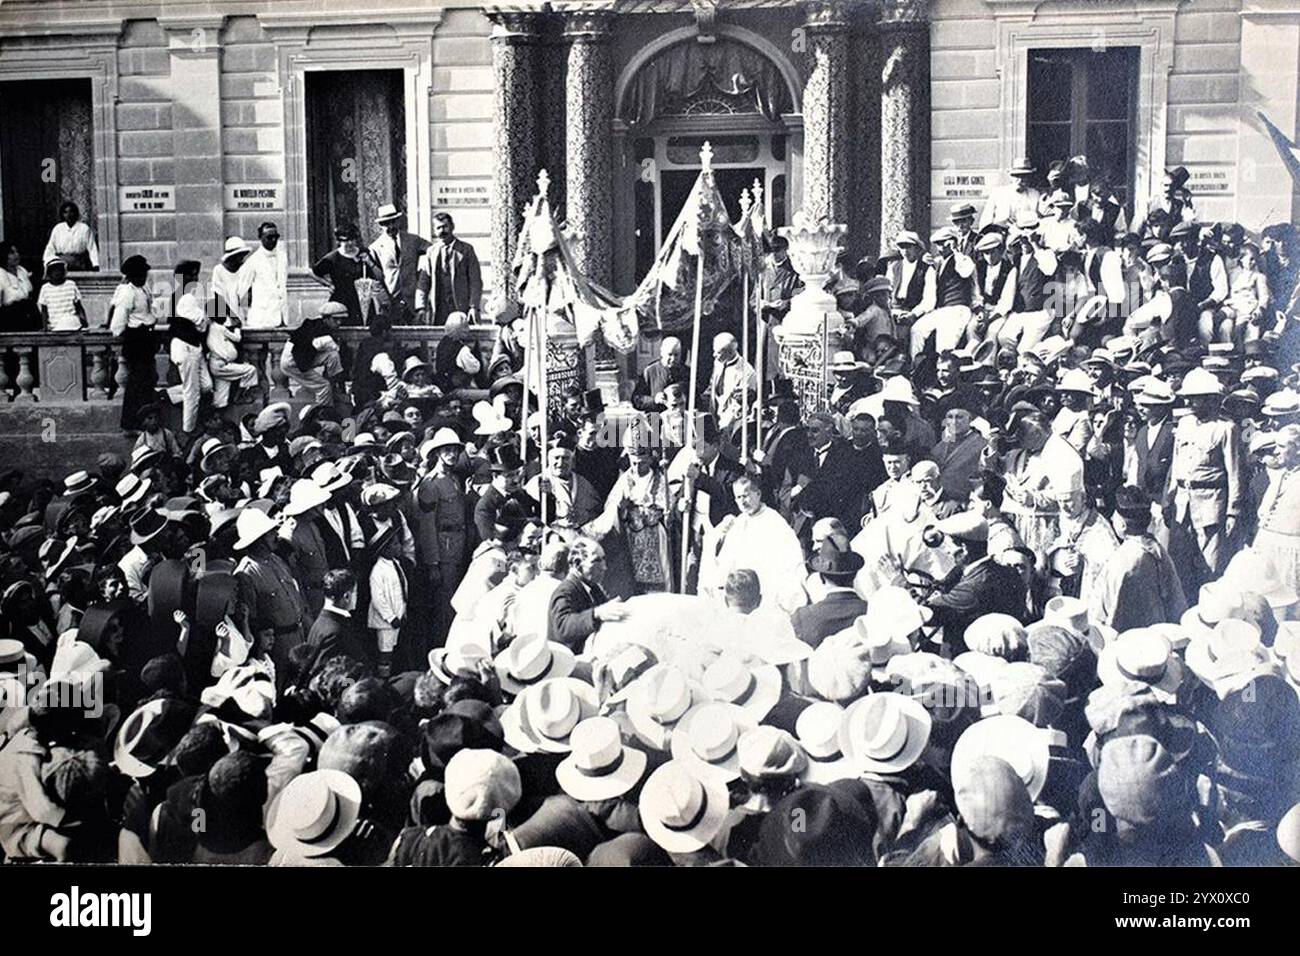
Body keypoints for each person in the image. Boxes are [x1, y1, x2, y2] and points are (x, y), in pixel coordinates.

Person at [1165, 368, 1244, 583]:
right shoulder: (1184, 424)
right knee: (1180, 561)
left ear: (1211, 400)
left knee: (1211, 564)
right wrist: (1169, 498)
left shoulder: (1226, 429)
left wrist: (1232, 512)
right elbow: (1177, 463)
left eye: (1195, 399)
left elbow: (1235, 473)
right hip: (1183, 502)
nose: (1189, 403)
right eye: (1187, 398)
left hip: (1210, 502)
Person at [1089, 485, 1187, 631]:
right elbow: (1177, 604)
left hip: (1123, 638)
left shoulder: (1119, 561)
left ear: (1122, 525)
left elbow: (1099, 613)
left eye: (1114, 515)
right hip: (1158, 634)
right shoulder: (1159, 551)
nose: (1110, 518)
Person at [707, 475, 807, 615]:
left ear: (758, 494)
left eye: (746, 496)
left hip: (766, 596)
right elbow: (726, 561)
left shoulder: (775, 524)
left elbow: (792, 564)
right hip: (740, 597)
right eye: (738, 497)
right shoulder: (738, 523)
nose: (742, 502)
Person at [547, 537, 626, 652]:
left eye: (603, 559)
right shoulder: (565, 591)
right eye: (596, 561)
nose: (604, 567)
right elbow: (562, 628)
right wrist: (596, 614)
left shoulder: (593, 588)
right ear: (577, 564)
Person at [109, 255, 159, 432]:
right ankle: (131, 422)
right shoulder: (126, 292)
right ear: (132, 275)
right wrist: (119, 335)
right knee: (136, 383)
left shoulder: (143, 288)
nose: (144, 277)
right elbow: (119, 319)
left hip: (145, 336)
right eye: (140, 274)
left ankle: (145, 420)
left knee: (147, 380)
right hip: (135, 338)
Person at [415, 213, 482, 326]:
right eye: (438, 228)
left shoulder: (466, 250)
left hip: (461, 308)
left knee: (464, 341)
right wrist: (420, 307)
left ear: (452, 227)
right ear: (434, 230)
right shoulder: (431, 252)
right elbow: (423, 281)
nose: (442, 231)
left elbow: (475, 281)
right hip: (439, 310)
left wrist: (474, 306)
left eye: (445, 226)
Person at [312, 224, 386, 326]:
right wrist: (328, 284)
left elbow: (380, 277)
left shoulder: (364, 253)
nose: (350, 243)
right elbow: (312, 272)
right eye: (346, 240)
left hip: (363, 302)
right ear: (339, 241)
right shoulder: (332, 258)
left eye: (353, 240)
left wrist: (370, 262)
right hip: (341, 301)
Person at [168, 262, 211, 435]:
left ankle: (167, 394)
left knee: (206, 386)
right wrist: (204, 320)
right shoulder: (185, 298)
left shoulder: (180, 296)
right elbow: (201, 324)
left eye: (195, 275)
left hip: (192, 347)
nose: (194, 278)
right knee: (192, 392)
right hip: (186, 347)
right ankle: (189, 430)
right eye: (190, 275)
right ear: (181, 278)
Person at [369, 203, 430, 324]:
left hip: (413, 301)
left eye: (393, 222)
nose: (391, 226)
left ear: (398, 221)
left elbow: (433, 252)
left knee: (418, 338)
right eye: (386, 223)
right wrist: (384, 300)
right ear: (381, 225)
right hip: (391, 303)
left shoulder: (413, 240)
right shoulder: (375, 248)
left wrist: (422, 273)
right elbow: (376, 277)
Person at [281, 302, 347, 410]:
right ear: (326, 319)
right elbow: (299, 354)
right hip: (292, 362)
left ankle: (333, 386)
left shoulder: (317, 325)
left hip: (299, 357)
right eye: (335, 319)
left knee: (332, 355)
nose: (339, 322)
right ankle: (321, 415)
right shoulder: (323, 336)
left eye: (341, 319)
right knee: (324, 386)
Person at [979, 157, 1042, 231]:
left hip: (1028, 235)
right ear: (1011, 177)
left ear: (1029, 178)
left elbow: (1040, 219)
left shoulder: (1035, 194)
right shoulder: (998, 193)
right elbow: (986, 220)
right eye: (1017, 176)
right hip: (1003, 234)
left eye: (1024, 176)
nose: (1020, 180)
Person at [245, 222, 287, 329]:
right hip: (262, 318)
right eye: (269, 237)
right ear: (260, 237)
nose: (273, 240)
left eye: (276, 237)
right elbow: (243, 288)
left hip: (281, 316)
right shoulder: (253, 260)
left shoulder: (283, 257)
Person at [632, 336, 688, 413]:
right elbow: (636, 400)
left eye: (676, 355)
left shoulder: (686, 372)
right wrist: (654, 400)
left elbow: (696, 400)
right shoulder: (649, 371)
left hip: (680, 418)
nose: (673, 359)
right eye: (670, 354)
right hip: (656, 418)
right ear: (662, 352)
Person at [43, 201, 99, 271]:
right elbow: (51, 247)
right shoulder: (58, 228)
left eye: (71, 212)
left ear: (76, 213)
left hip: (79, 263)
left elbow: (92, 248)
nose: (68, 215)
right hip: (62, 263)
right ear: (62, 214)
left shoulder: (84, 228)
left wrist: (95, 264)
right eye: (65, 212)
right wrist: (47, 260)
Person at [36, 258, 85, 332]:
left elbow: (78, 306)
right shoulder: (45, 288)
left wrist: (84, 321)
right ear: (49, 273)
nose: (57, 272)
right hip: (55, 326)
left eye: (59, 269)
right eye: (53, 270)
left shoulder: (71, 284)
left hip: (72, 324)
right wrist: (45, 327)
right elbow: (44, 310)